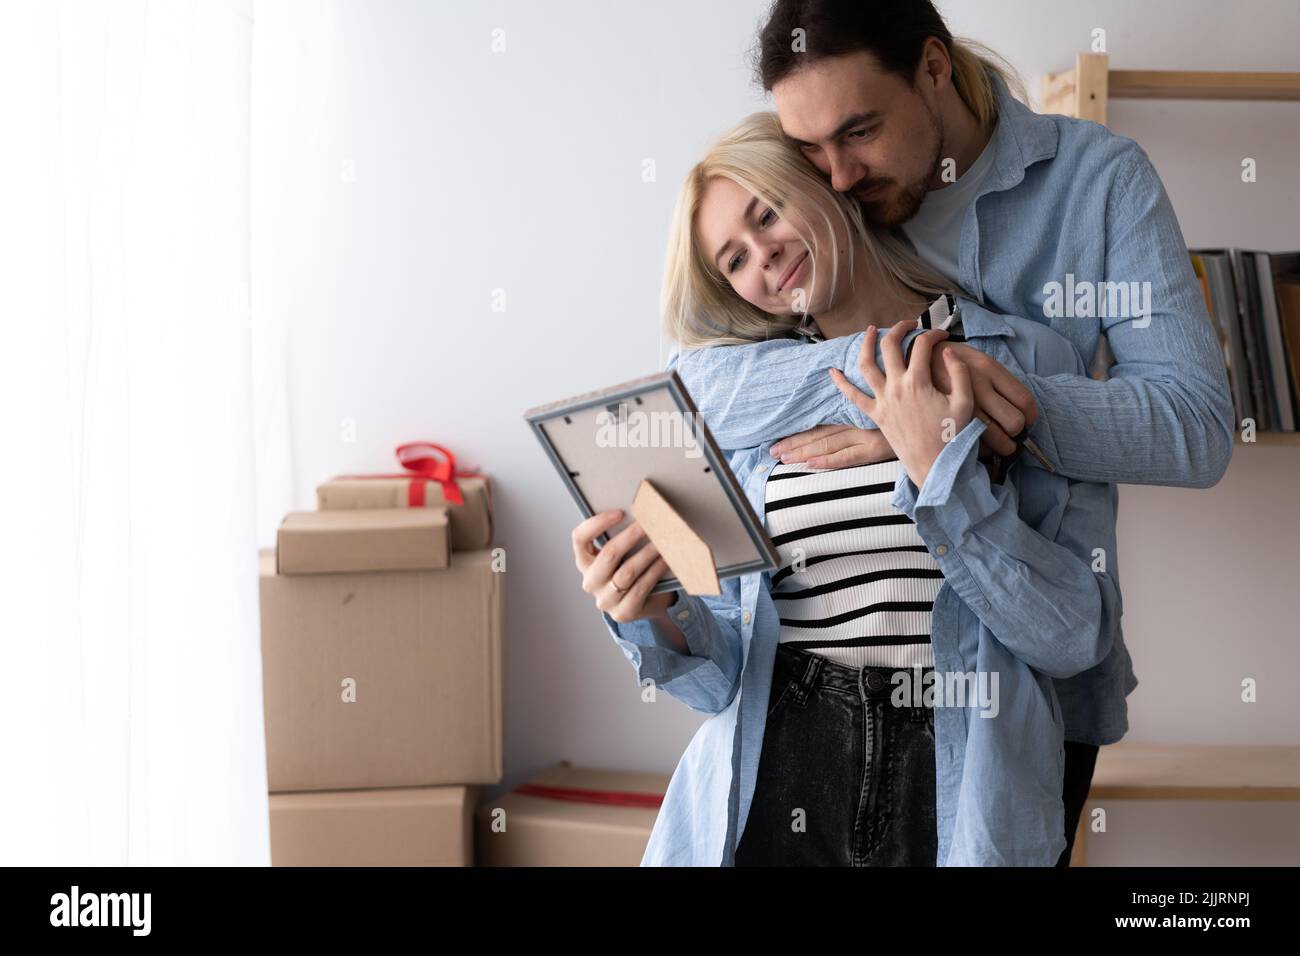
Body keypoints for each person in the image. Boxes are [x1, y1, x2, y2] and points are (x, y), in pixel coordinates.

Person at [668, 0, 1235, 866]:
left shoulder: (1097, 182)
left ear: (935, 67)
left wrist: (965, 399)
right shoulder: (823, 226)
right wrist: (905, 390)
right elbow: (704, 388)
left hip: (1017, 695)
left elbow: (1194, 426)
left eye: (858, 133)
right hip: (810, 725)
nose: (840, 176)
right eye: (809, 155)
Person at [571, 111, 1121, 866]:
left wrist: (935, 462)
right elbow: (718, 682)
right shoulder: (743, 409)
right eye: (734, 260)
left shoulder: (1020, 359)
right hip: (784, 762)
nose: (763, 259)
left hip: (954, 768)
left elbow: (1070, 637)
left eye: (767, 214)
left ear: (822, 182)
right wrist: (657, 610)